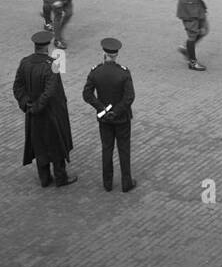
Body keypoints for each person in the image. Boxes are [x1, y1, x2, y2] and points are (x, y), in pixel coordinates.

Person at [14, 31, 77, 188]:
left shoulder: (25, 62)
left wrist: (27, 104)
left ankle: (44, 178)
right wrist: (38, 106)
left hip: (33, 114)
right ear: (47, 47)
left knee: (39, 143)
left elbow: (17, 87)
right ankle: (61, 177)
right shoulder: (53, 65)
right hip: (51, 113)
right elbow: (50, 91)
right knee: (56, 144)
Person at [82, 36, 137, 192]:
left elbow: (87, 94)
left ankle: (107, 183)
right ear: (116, 54)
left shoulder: (96, 72)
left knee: (107, 149)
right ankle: (126, 182)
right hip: (122, 119)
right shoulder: (124, 73)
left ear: (104, 53)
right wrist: (116, 111)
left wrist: (103, 109)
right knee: (124, 149)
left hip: (104, 119)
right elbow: (129, 97)